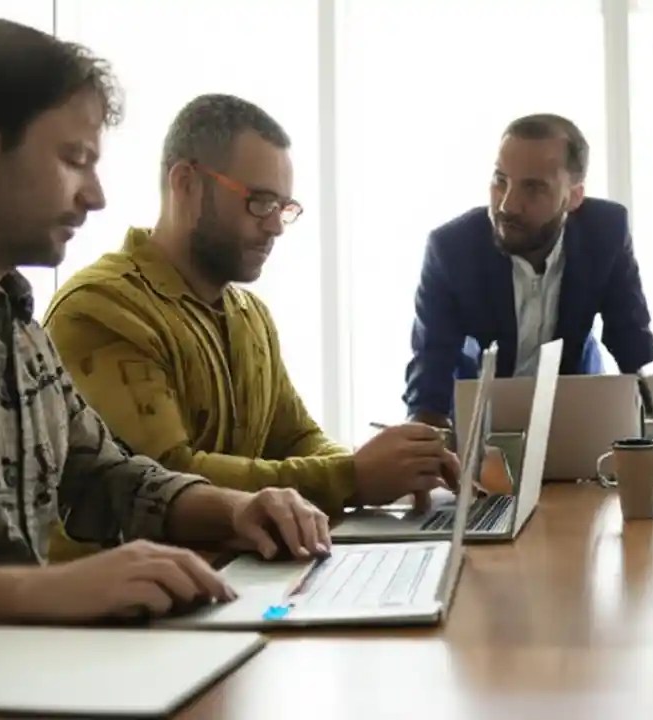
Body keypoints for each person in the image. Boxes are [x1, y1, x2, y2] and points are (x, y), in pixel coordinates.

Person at [0, 17, 328, 624]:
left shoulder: (17, 328)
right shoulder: (88, 307)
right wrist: (42, 592)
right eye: (74, 158)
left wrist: (234, 510)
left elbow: (107, 474)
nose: (95, 196)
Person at [43, 94, 458, 561]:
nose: (276, 227)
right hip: (117, 608)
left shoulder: (248, 312)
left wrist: (392, 467)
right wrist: (352, 477)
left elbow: (296, 438)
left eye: (284, 207)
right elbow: (166, 475)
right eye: (260, 203)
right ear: (186, 183)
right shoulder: (102, 308)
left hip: (232, 578)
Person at [403, 114, 653, 428]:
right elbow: (431, 368)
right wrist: (427, 445)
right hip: (481, 426)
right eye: (500, 180)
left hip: (570, 420)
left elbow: (633, 342)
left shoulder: (605, 233)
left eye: (533, 188)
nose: (507, 205)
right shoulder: (452, 249)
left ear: (574, 196)